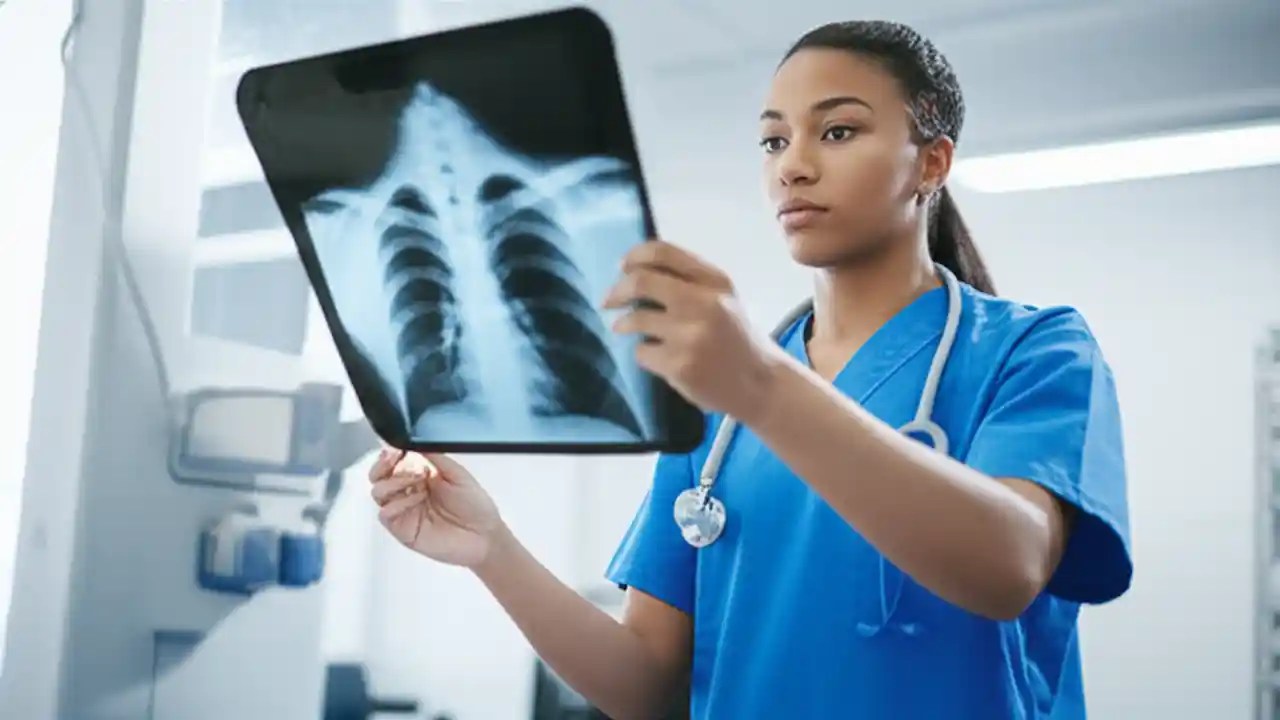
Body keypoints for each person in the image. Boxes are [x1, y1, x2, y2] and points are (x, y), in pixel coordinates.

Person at [368, 19, 1132, 720]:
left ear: (932, 161)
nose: (793, 166)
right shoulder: (717, 406)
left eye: (837, 131)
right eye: (773, 142)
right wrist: (491, 549)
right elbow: (644, 684)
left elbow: (1008, 567)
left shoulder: (1034, 352)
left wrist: (763, 387)